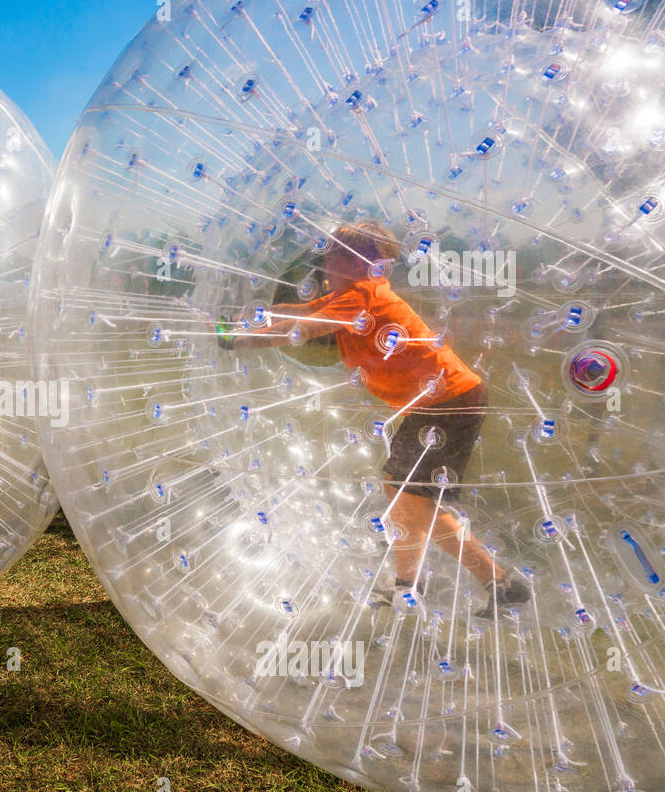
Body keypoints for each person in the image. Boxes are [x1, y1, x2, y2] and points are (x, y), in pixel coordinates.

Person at [218, 221, 530, 618]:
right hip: (437, 401)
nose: (324, 262)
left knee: (416, 501)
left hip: (448, 401)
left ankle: (499, 583)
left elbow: (305, 328)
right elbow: (302, 310)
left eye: (331, 255)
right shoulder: (352, 294)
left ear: (355, 261)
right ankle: (409, 584)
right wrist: (256, 315)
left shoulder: (361, 296)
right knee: (401, 494)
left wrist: (238, 338)